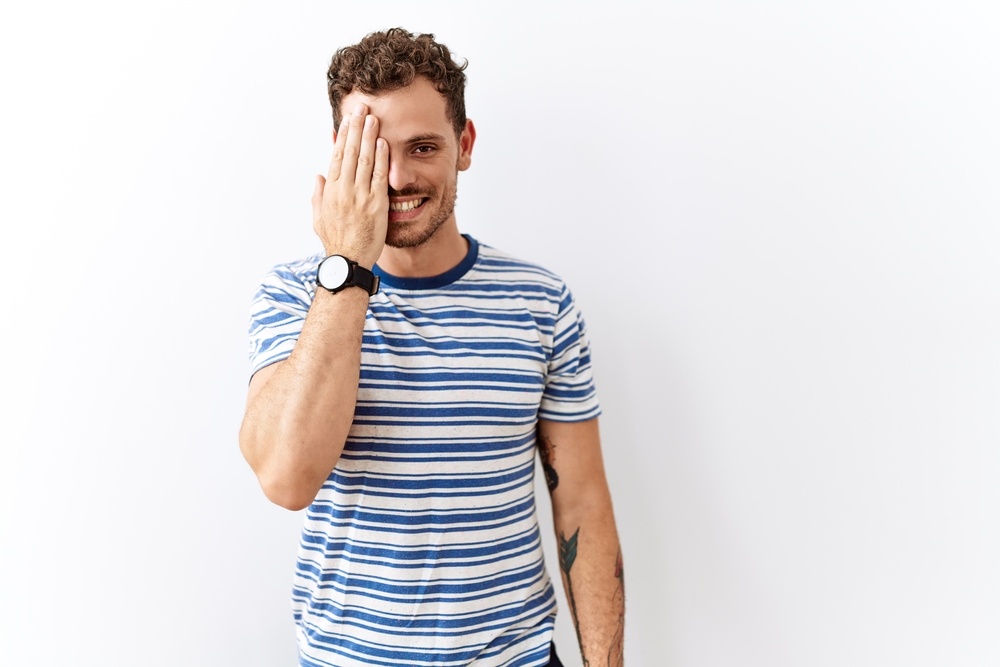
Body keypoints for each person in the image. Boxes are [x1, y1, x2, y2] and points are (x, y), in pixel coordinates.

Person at [240, 28, 624, 667]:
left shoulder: (541, 301)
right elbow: (286, 478)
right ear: (341, 154)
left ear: (464, 144)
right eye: (372, 153)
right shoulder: (293, 295)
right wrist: (348, 263)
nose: (396, 178)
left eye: (423, 147)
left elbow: (581, 501)